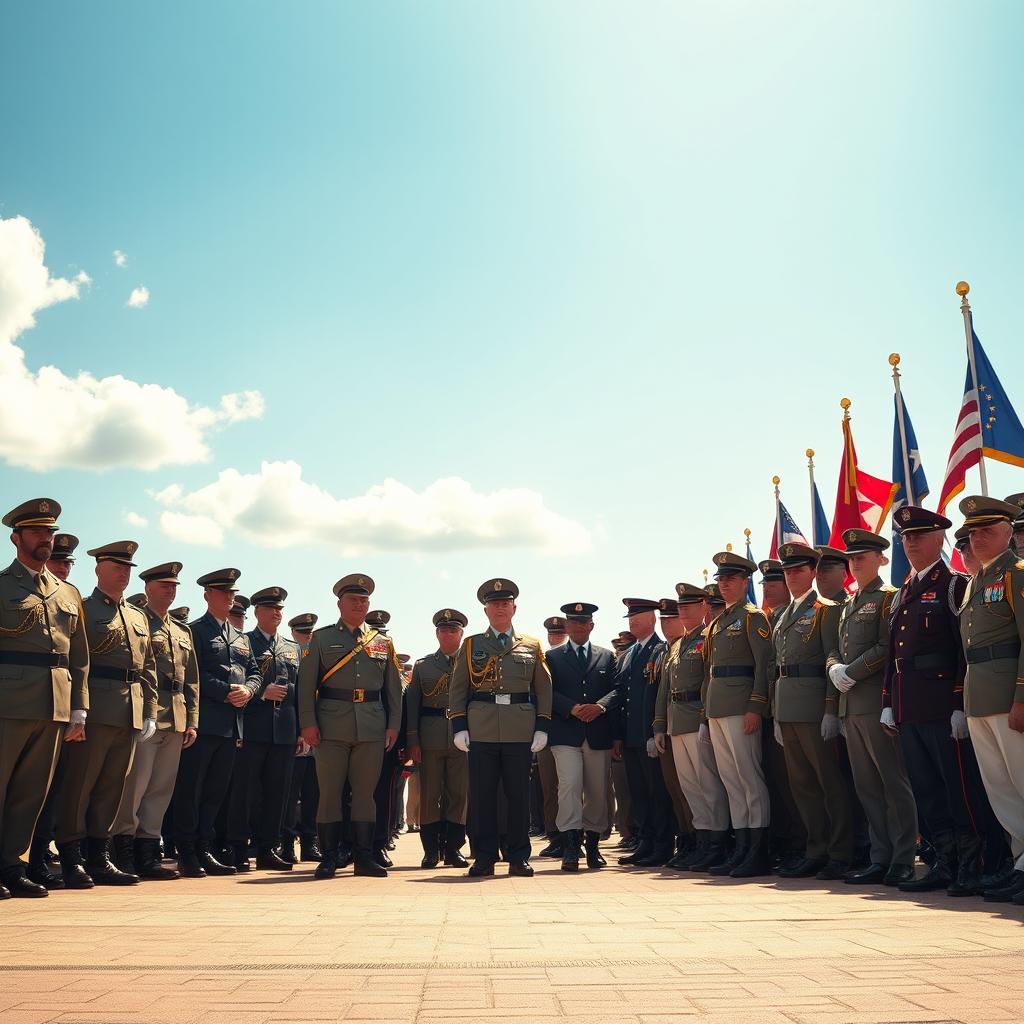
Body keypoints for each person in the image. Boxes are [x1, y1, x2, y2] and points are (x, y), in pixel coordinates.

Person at [883, 507, 1002, 896]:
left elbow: (963, 650)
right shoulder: (903, 592)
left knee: (959, 789)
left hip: (941, 705)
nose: (911, 542)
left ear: (939, 539)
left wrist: (958, 704)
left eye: (919, 535)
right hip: (909, 705)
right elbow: (893, 654)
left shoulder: (954, 586)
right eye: (906, 537)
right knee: (927, 790)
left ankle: (972, 864)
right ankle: (944, 862)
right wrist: (888, 701)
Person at [55, 540, 158, 888]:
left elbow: (147, 668)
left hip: (129, 711)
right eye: (117, 566)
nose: (123, 573)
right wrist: (77, 708)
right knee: (79, 786)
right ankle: (72, 858)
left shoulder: (137, 615)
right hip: (95, 708)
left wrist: (150, 710)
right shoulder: (83, 608)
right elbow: (75, 661)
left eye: (127, 568)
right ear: (98, 569)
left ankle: (100, 857)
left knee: (112, 787)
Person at [0, 499, 89, 899]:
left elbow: (79, 657)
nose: (45, 539)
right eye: (36, 531)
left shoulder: (67, 593)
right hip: (8, 701)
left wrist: (79, 707)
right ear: (16, 538)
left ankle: (12, 866)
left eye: (49, 532)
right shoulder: (3, 585)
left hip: (54, 703)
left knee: (31, 793)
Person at [826, 530, 917, 886]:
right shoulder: (849, 603)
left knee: (893, 782)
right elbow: (834, 647)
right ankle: (880, 857)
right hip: (850, 705)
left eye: (861, 557)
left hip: (875, 702)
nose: (855, 563)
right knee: (866, 787)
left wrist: (851, 670)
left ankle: (903, 857)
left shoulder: (888, 597)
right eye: (851, 558)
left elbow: (887, 646)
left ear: (881, 559)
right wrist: (835, 668)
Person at [297, 574, 402, 879]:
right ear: (340, 604)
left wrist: (393, 725)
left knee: (366, 794)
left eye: (364, 600)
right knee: (330, 793)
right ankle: (329, 856)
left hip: (372, 726)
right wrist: (308, 723)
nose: (359, 604)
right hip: (330, 726)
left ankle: (364, 857)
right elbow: (306, 686)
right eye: (353, 599)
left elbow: (393, 689)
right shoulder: (321, 639)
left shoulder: (382, 642)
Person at [448, 578, 553, 877]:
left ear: (514, 608)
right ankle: (484, 857)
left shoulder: (531, 645)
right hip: (481, 730)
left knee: (518, 796)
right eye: (495, 604)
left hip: (519, 729)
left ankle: (518, 856)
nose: (500, 608)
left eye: (505, 603)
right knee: (482, 797)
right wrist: (459, 726)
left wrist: (542, 726)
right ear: (486, 610)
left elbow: (543, 688)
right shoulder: (471, 645)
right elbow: (458, 688)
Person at [111, 561, 199, 881]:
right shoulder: (138, 620)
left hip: (175, 716)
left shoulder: (182, 630)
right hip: (147, 713)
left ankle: (148, 853)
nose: (170, 591)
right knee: (135, 786)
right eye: (164, 586)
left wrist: (192, 719)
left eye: (174, 586)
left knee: (161, 789)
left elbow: (191, 680)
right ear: (148, 589)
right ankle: (123, 851)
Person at [172, 569, 262, 878]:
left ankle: (204, 847)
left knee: (215, 792)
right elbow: (192, 673)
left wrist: (249, 690)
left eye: (232, 593)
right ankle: (186, 852)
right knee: (192, 790)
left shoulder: (240, 637)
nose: (229, 598)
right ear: (207, 595)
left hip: (231, 725)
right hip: (205, 721)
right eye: (223, 592)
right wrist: (226, 692)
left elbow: (254, 672)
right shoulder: (194, 631)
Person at [957, 496, 1024, 904]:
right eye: (973, 533)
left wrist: (1021, 697)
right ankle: (1020, 864)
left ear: (1008, 533)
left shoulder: (1016, 574)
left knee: (1020, 781)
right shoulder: (975, 581)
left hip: (1007, 697)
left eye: (987, 530)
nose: (977, 538)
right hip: (979, 698)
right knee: (1001, 789)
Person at [772, 543, 851, 879]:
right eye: (787, 571)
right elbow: (777, 668)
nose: (792, 576)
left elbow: (832, 659)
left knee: (829, 782)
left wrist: (831, 709)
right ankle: (816, 848)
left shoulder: (826, 610)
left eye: (798, 570)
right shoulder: (782, 615)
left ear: (813, 572)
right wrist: (776, 713)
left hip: (814, 706)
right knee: (802, 784)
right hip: (788, 707)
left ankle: (841, 851)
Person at [700, 552, 772, 877]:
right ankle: (741, 848)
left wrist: (755, 706)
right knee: (731, 781)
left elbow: (764, 665)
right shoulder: (718, 622)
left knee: (749, 778)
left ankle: (758, 851)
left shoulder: (752, 617)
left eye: (731, 578)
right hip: (718, 708)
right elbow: (709, 671)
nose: (724, 584)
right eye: (721, 579)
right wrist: (706, 715)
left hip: (741, 707)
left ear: (745, 582)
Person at [653, 583, 730, 872]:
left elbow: (709, 682)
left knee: (708, 785)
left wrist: (704, 720)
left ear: (704, 607)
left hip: (696, 718)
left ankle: (718, 843)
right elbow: (664, 690)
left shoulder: (708, 638)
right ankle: (702, 842)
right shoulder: (677, 645)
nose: (683, 612)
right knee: (690, 788)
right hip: (676, 723)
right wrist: (660, 725)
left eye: (689, 606)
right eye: (681, 607)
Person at [227, 587, 300, 872]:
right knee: (244, 792)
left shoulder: (292, 648)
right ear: (257, 612)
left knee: (278, 793)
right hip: (253, 727)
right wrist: (261, 694)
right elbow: (238, 681)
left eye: (279, 609)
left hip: (284, 729)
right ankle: (237, 848)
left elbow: (302, 690)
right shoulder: (244, 643)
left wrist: (301, 730)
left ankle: (269, 848)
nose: (276, 613)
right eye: (270, 608)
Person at [546, 602, 619, 870]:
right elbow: (545, 691)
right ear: (566, 626)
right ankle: (570, 846)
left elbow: (617, 689)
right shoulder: (552, 657)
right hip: (566, 732)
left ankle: (593, 846)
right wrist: (571, 707)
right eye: (573, 622)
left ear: (591, 626)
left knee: (598, 790)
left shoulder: (606, 656)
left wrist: (600, 706)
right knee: (569, 786)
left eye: (583, 622)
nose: (578, 626)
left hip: (598, 731)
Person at [406, 608, 470, 868]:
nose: (448, 633)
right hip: (430, 736)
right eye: (443, 630)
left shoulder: (472, 663)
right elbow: (412, 705)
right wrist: (413, 741)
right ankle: (431, 850)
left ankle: (454, 849)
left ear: (461, 633)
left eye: (453, 630)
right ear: (436, 634)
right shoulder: (423, 666)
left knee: (459, 794)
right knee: (429, 795)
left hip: (461, 736)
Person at [613, 598, 674, 867]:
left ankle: (662, 845)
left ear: (652, 619)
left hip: (649, 735)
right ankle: (645, 842)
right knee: (638, 793)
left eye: (638, 617)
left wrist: (654, 731)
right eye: (630, 617)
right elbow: (623, 696)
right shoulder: (630, 654)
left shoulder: (659, 650)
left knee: (657, 793)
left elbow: (658, 694)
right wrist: (619, 735)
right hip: (630, 736)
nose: (633, 622)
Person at [758, 558, 805, 871]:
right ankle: (783, 840)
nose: (769, 588)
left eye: (775, 582)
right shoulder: (767, 619)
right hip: (769, 709)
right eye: (766, 583)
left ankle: (799, 842)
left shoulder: (794, 616)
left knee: (794, 781)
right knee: (775, 780)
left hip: (792, 708)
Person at [279, 612, 320, 864]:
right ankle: (286, 843)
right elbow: (293, 699)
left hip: (317, 739)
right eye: (303, 634)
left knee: (313, 795)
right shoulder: (289, 656)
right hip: (297, 737)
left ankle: (309, 842)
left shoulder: (320, 657)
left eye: (309, 634)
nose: (306, 638)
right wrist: (298, 731)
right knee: (290, 794)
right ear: (293, 634)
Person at [536, 615, 568, 857]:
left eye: (559, 633)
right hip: (547, 731)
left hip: (570, 730)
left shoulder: (573, 658)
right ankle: (555, 836)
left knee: (573, 787)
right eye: (552, 634)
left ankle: (574, 835)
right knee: (550, 787)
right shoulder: (541, 660)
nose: (555, 637)